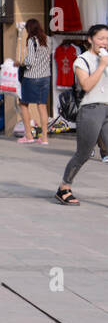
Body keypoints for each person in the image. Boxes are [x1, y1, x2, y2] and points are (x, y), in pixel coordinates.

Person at [55, 24, 108, 205]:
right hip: (91, 110)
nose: (104, 42)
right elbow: (86, 85)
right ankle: (64, 187)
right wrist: (102, 65)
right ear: (90, 40)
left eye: (107, 39)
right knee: (84, 153)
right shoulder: (82, 60)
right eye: (101, 38)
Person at [17, 18, 52, 145]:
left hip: (32, 77)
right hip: (45, 77)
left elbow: (30, 62)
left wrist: (20, 63)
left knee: (23, 104)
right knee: (42, 106)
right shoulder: (48, 39)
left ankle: (28, 135)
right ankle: (44, 138)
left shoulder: (32, 40)